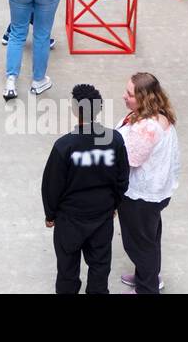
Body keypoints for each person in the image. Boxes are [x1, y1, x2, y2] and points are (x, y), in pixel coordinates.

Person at [41, 84, 129, 294]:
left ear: (74, 109)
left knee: (67, 268)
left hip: (69, 219)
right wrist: (114, 204)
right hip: (102, 216)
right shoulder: (115, 140)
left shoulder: (64, 146)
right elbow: (122, 178)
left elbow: (51, 185)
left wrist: (50, 214)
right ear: (98, 109)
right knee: (100, 265)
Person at [116, 73, 181, 295]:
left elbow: (130, 159)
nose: (124, 97)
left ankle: (147, 288)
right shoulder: (158, 115)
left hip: (140, 196)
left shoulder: (148, 127)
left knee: (138, 243)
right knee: (150, 237)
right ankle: (148, 276)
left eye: (130, 94)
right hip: (156, 192)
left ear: (144, 98)